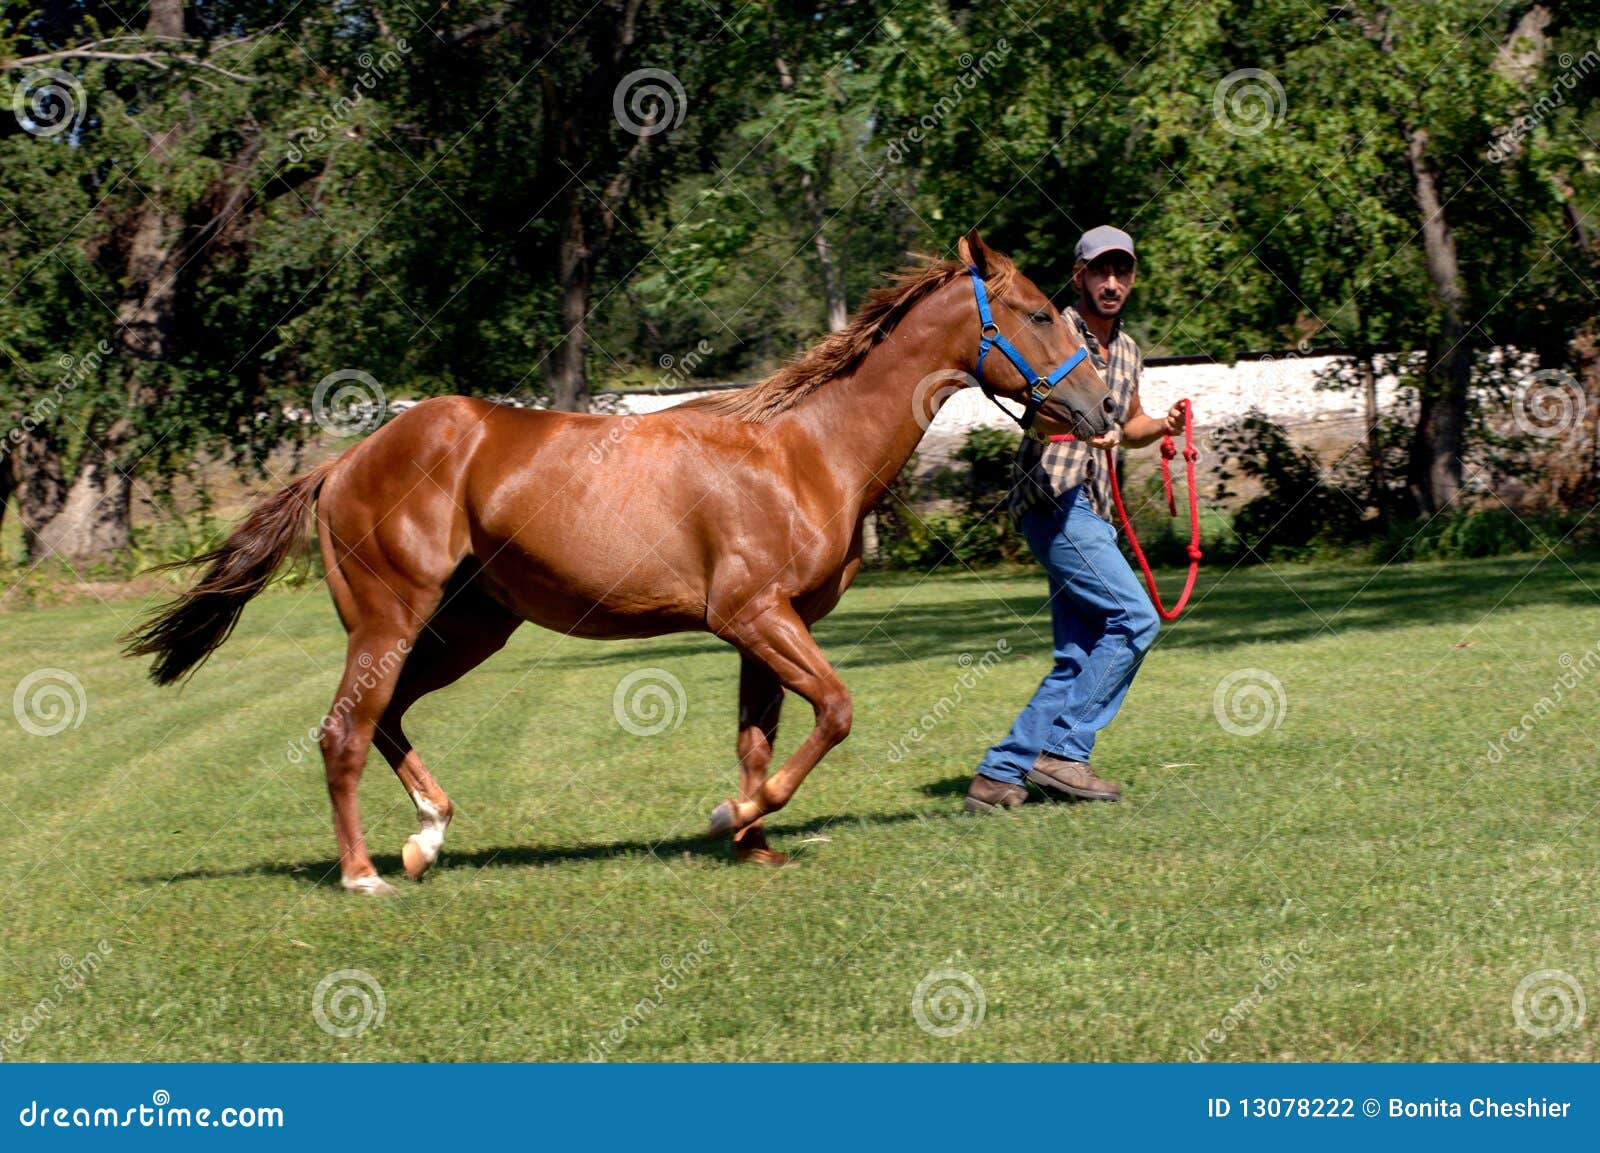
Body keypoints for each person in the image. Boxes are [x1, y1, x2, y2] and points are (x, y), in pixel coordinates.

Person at [966, 225, 1184, 812]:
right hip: (1055, 497)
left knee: (1081, 654)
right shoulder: (1052, 329)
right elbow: (1032, 416)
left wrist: (1160, 427)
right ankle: (1063, 754)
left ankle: (998, 776)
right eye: (1099, 272)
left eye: (1122, 272)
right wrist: (1082, 428)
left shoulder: (1130, 350)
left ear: (1132, 278)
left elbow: (1129, 423)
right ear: (1079, 274)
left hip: (1092, 509)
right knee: (1136, 620)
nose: (1111, 283)